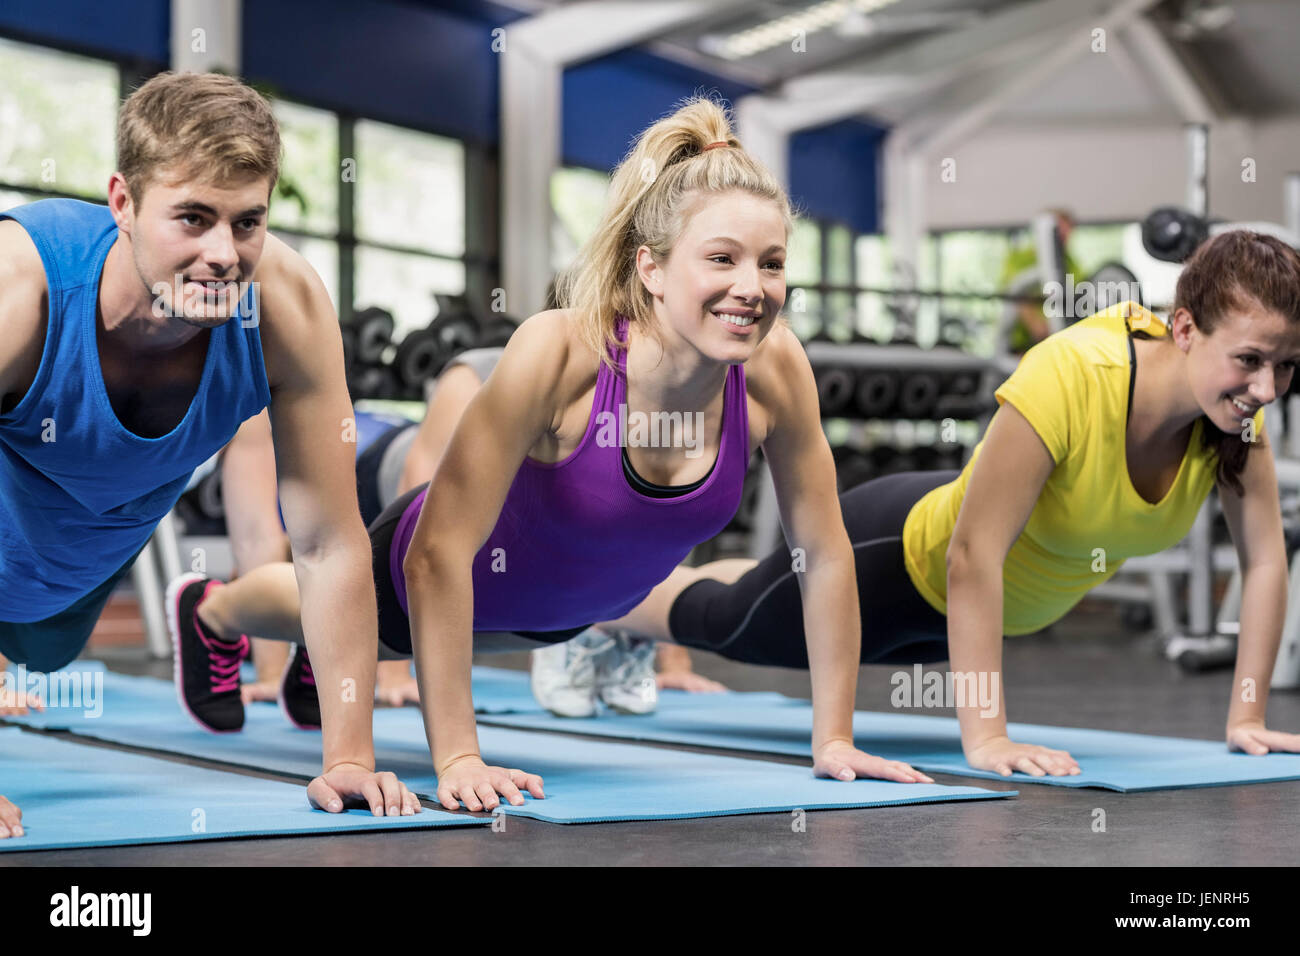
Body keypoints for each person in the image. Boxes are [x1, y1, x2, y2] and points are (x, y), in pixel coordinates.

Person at [170, 96, 935, 815]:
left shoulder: (777, 368)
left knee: (335, 628)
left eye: (771, 264)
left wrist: (835, 738)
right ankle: (211, 610)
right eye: (723, 259)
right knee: (323, 609)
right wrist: (458, 756)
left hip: (570, 615)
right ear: (652, 268)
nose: (752, 288)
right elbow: (439, 554)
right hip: (429, 587)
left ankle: (317, 645)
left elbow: (825, 553)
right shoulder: (562, 351)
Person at [605, 231, 1300, 777]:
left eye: (1286, 365)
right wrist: (987, 735)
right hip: (899, 562)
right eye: (1249, 360)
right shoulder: (1076, 373)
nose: (1267, 387)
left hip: (962, 625)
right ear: (1184, 329)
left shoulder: (1233, 420)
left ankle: (637, 610)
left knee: (754, 594)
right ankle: (596, 612)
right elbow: (974, 554)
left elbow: (1266, 560)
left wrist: (1246, 718)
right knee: (724, 622)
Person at [0, 71, 419, 842]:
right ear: (121, 203)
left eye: (247, 222)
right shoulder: (20, 283)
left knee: (40, 653)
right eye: (192, 218)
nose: (224, 254)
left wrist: (349, 756)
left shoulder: (283, 307)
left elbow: (327, 542)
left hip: (64, 581)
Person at [1000, 208, 1081, 353]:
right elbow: (1017, 296)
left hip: (1058, 341)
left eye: (1067, 231)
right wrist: (1038, 327)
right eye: (1059, 231)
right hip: (1024, 345)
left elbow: (1080, 298)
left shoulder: (1072, 264)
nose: (1064, 236)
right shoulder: (1020, 258)